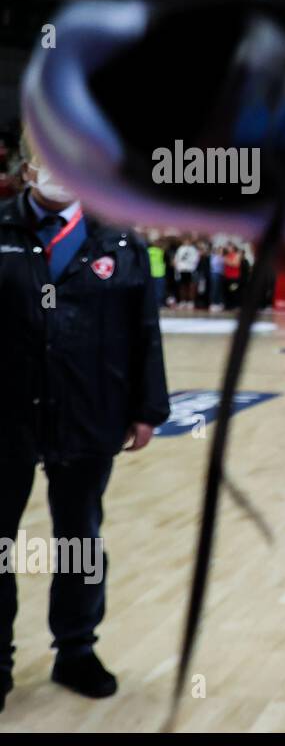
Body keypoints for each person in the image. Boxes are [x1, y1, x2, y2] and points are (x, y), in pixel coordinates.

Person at [0, 130, 169, 713]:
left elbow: (144, 328)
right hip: (7, 417)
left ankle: (76, 650)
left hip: (89, 411)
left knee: (79, 538)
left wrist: (150, 407)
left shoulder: (120, 239)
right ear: (26, 168)